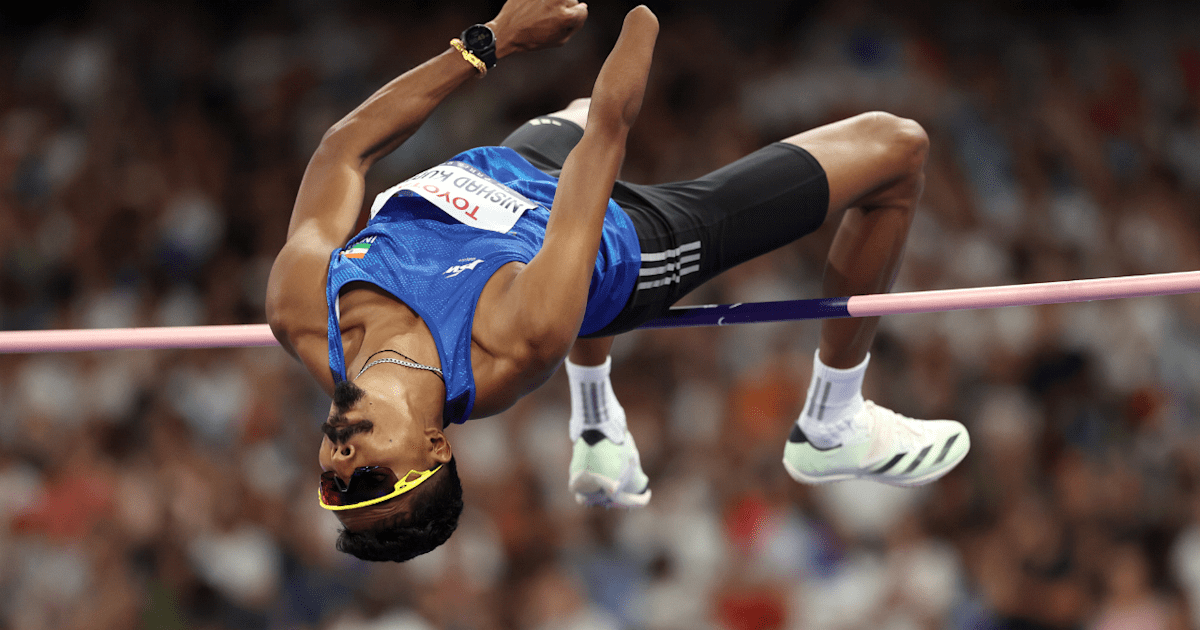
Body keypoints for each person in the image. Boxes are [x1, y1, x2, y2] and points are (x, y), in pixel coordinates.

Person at [266, 0, 970, 563]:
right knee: (895, 146)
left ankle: (598, 428)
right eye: (373, 482)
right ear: (434, 448)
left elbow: (344, 148)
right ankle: (833, 420)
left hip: (512, 178)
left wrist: (490, 40)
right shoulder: (511, 339)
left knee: (570, 114)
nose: (345, 461)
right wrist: (642, 13)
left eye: (335, 485)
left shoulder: (303, 310)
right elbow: (606, 138)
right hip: (621, 235)